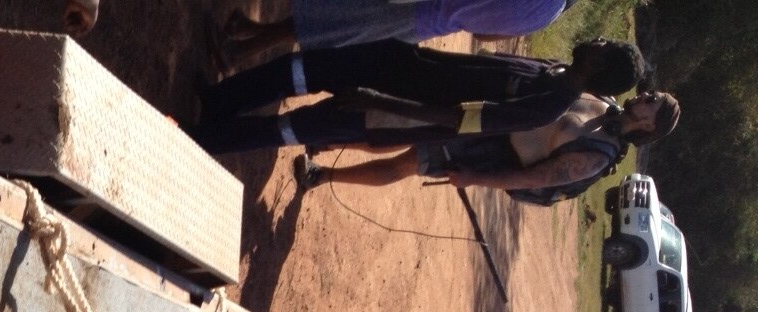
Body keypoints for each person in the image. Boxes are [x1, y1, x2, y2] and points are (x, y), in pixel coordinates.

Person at [190, 38, 647, 154]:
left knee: (293, 129)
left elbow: (460, 120)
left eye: (604, 47)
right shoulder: (554, 68)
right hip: (399, 68)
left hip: (390, 112)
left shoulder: (546, 106)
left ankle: (200, 139)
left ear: (600, 69)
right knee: (303, 69)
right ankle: (217, 101)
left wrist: (377, 101)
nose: (599, 39)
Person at [294, 90, 679, 200]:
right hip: (488, 117)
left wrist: (475, 176)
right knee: (406, 129)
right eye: (651, 93)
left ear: (648, 124)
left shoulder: (599, 155)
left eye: (652, 101)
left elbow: (535, 179)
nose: (645, 95)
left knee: (408, 161)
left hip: (488, 154)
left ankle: (322, 176)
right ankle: (326, 146)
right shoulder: (607, 100)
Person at [213, 0, 576, 73]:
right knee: (335, 18)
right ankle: (250, 32)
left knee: (333, 17)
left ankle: (241, 51)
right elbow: (482, 34)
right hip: (426, 24)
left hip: (417, 5)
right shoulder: (545, 15)